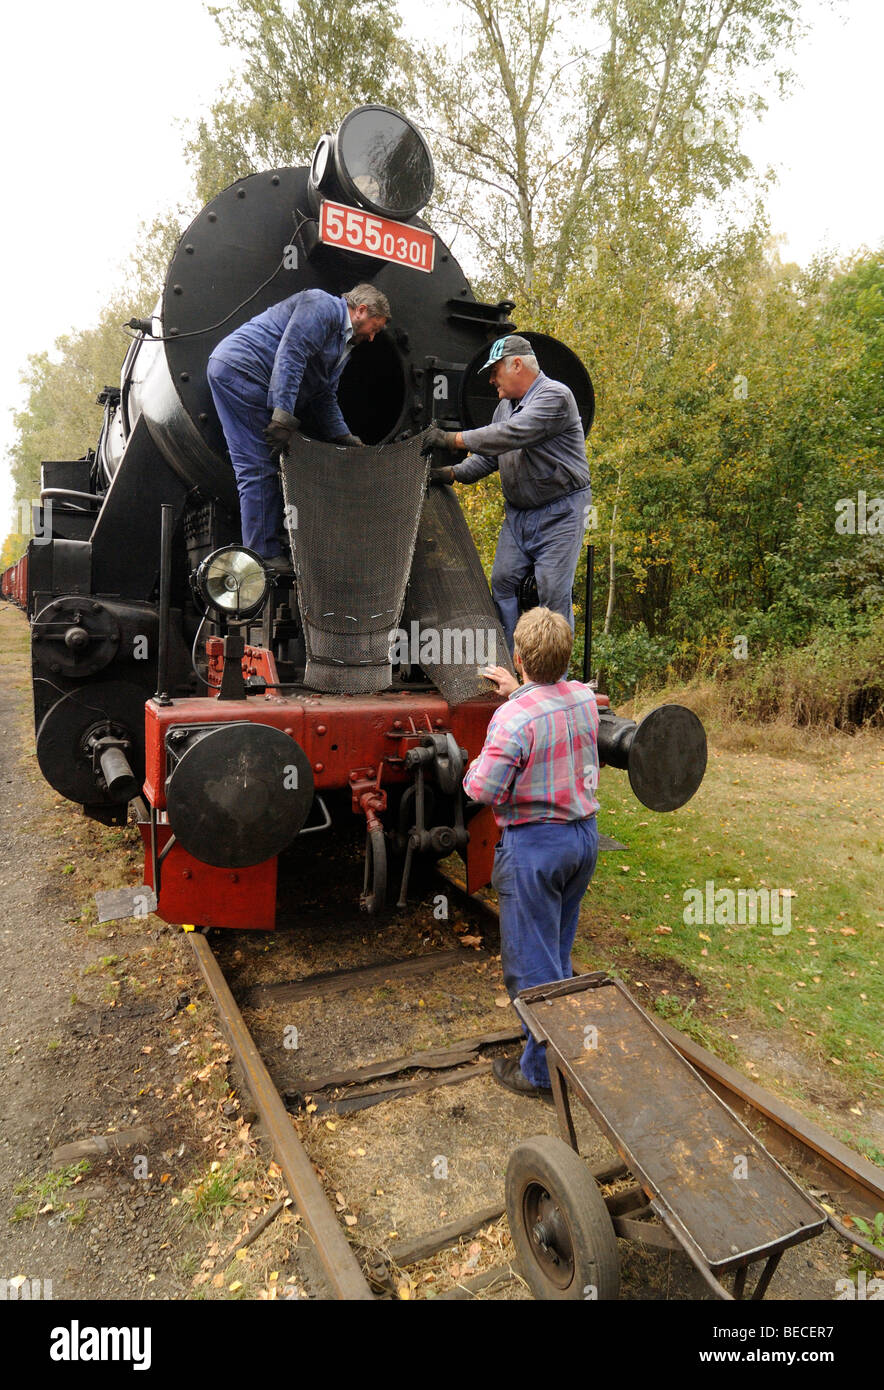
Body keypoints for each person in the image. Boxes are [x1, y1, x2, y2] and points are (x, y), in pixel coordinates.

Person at [462, 606, 600, 1100]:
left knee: (529, 968)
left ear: (518, 657)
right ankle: (564, 1045)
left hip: (536, 849)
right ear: (564, 657)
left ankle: (542, 1074)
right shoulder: (583, 698)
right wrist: (519, 690)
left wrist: (469, 763)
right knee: (556, 951)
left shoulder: (512, 719)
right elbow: (549, 696)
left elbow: (481, 790)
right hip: (583, 840)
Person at [424, 334, 590, 652]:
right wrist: (450, 474)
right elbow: (490, 457)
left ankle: (554, 682)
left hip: (561, 513)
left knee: (552, 591)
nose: (490, 379)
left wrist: (450, 439)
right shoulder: (504, 406)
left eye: (494, 371)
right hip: (518, 514)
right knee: (502, 583)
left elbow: (509, 435)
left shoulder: (555, 396)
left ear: (516, 364)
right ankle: (516, 663)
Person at [207, 283, 391, 570]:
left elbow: (324, 395)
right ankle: (262, 556)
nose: (372, 337)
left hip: (255, 380)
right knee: (256, 466)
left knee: (271, 464)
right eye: (374, 328)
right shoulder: (321, 305)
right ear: (361, 311)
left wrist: (344, 436)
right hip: (242, 371)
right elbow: (292, 353)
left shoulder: (343, 347)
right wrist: (283, 416)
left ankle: (272, 543)